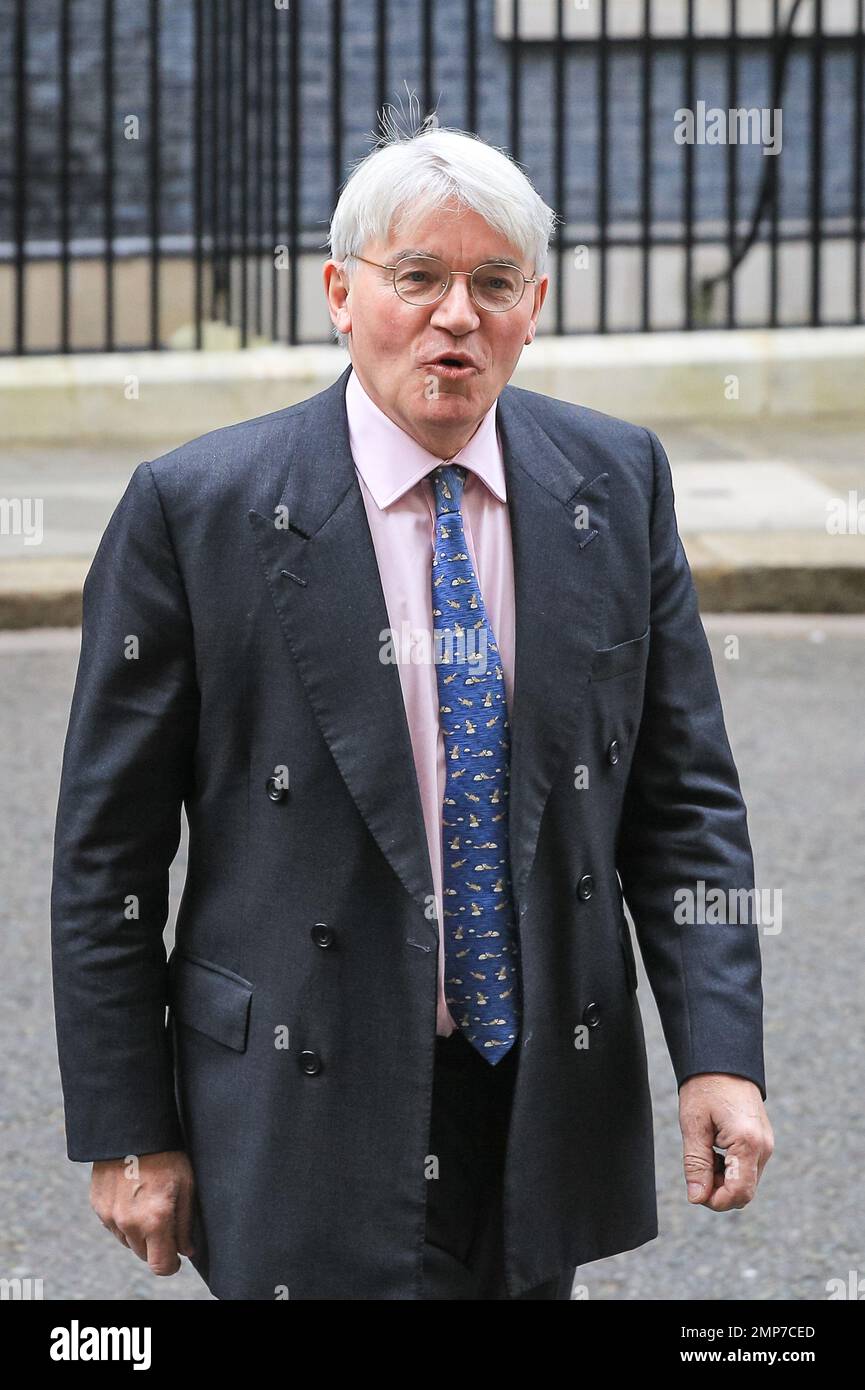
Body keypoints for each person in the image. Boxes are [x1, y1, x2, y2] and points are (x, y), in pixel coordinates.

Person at [51, 119, 773, 1302]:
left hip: (534, 1090)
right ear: (341, 292)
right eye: (419, 277)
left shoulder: (614, 481)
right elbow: (106, 856)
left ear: (533, 303)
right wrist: (130, 1127)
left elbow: (684, 798)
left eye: (493, 283)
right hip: (301, 1094)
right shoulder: (196, 511)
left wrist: (721, 1057)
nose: (457, 316)